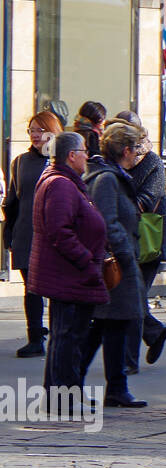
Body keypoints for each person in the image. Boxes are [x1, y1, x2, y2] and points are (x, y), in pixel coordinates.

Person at [28, 132, 107, 415]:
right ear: (72, 155)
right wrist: (86, 260)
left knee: (68, 336)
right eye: (84, 151)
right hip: (69, 274)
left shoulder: (64, 181)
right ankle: (61, 398)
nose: (88, 156)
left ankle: (63, 395)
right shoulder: (61, 184)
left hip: (71, 274)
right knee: (67, 337)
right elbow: (59, 231)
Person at [82, 122, 148, 408]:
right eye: (136, 148)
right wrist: (124, 252)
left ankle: (110, 387)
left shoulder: (110, 175)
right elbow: (107, 221)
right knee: (112, 325)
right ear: (125, 150)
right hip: (116, 264)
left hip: (116, 261)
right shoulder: (108, 178)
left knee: (107, 326)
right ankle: (111, 387)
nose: (138, 154)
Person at [107, 111, 166, 371]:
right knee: (132, 298)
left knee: (134, 298)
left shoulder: (152, 162)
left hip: (147, 240)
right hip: (122, 238)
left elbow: (148, 198)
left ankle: (129, 360)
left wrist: (115, 206)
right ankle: (154, 332)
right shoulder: (114, 161)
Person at [4, 111, 63, 357]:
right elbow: (12, 201)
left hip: (55, 235)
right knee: (32, 288)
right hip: (26, 233)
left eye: (41, 130)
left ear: (53, 132)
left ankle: (60, 336)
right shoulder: (20, 162)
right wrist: (9, 233)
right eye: (32, 130)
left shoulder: (61, 161)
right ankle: (35, 337)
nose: (35, 135)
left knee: (58, 290)